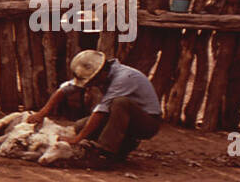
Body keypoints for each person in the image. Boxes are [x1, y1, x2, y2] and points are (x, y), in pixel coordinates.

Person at [27, 49, 162, 169]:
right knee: (80, 126)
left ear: (102, 71)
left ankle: (104, 153)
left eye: (93, 81)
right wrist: (42, 113)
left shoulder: (124, 78)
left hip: (148, 122)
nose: (91, 85)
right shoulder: (102, 74)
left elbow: (101, 111)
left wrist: (77, 139)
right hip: (127, 119)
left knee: (120, 103)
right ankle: (124, 146)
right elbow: (65, 89)